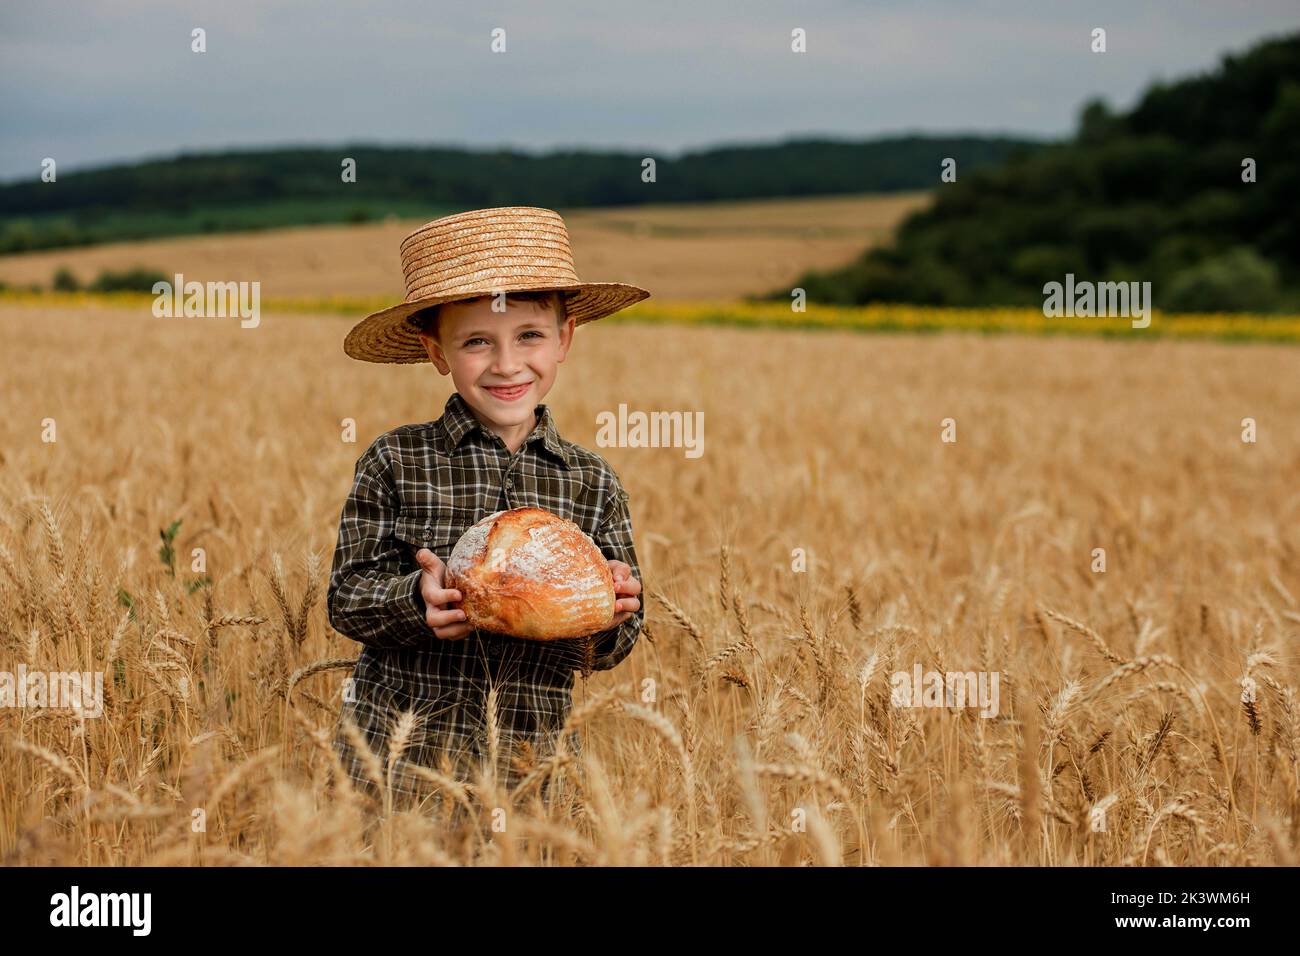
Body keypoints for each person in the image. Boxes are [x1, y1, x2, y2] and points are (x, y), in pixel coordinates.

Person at [326, 206, 648, 826]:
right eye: (477, 341)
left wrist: (612, 612)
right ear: (436, 351)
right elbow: (346, 596)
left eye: (529, 335)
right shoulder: (396, 460)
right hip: (399, 766)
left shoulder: (592, 482)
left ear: (564, 340)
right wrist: (415, 604)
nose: (506, 364)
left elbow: (612, 648)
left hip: (532, 774)